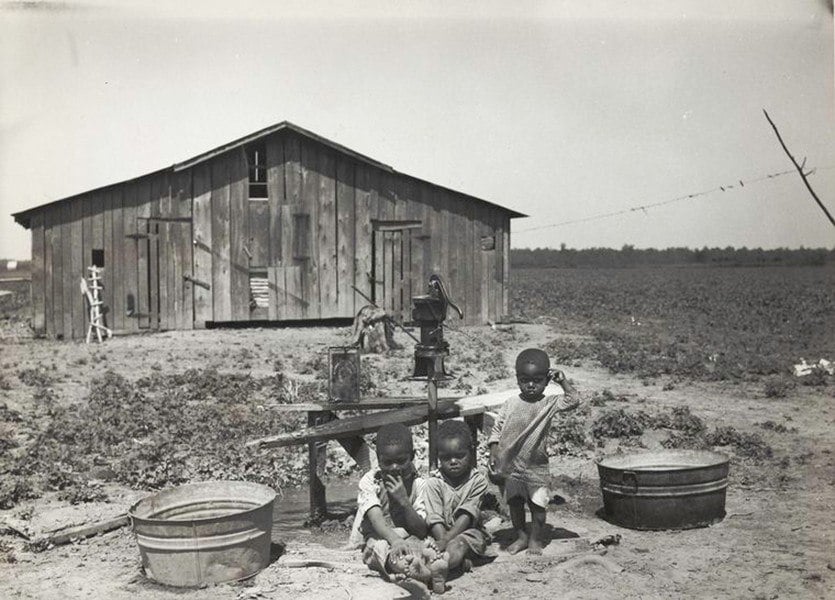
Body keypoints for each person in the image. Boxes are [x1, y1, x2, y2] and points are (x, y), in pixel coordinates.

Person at [487, 348, 580, 555]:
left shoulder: (549, 403)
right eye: (524, 380)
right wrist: (494, 451)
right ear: (517, 379)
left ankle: (535, 540)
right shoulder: (510, 404)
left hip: (536, 466)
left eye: (537, 380)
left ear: (546, 381)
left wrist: (562, 381)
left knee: (538, 507)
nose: (530, 385)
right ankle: (521, 537)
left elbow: (574, 400)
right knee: (515, 504)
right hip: (511, 466)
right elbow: (496, 430)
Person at [348, 423, 439, 584]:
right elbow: (376, 519)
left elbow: (421, 530)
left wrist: (404, 500)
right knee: (379, 549)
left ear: (412, 456)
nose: (394, 468)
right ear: (378, 460)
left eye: (401, 461)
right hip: (379, 536)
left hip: (409, 536)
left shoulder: (420, 484)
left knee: (423, 544)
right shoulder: (370, 482)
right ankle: (408, 570)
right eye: (387, 462)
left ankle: (426, 568)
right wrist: (395, 540)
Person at [423, 420, 491, 594]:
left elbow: (467, 516)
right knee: (424, 545)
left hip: (469, 531)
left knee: (459, 545)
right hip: (438, 533)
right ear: (438, 456)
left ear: (471, 452)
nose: (453, 462)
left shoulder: (478, 481)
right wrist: (441, 540)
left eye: (460, 456)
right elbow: (435, 516)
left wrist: (446, 541)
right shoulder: (433, 483)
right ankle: (439, 566)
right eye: (446, 458)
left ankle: (439, 566)